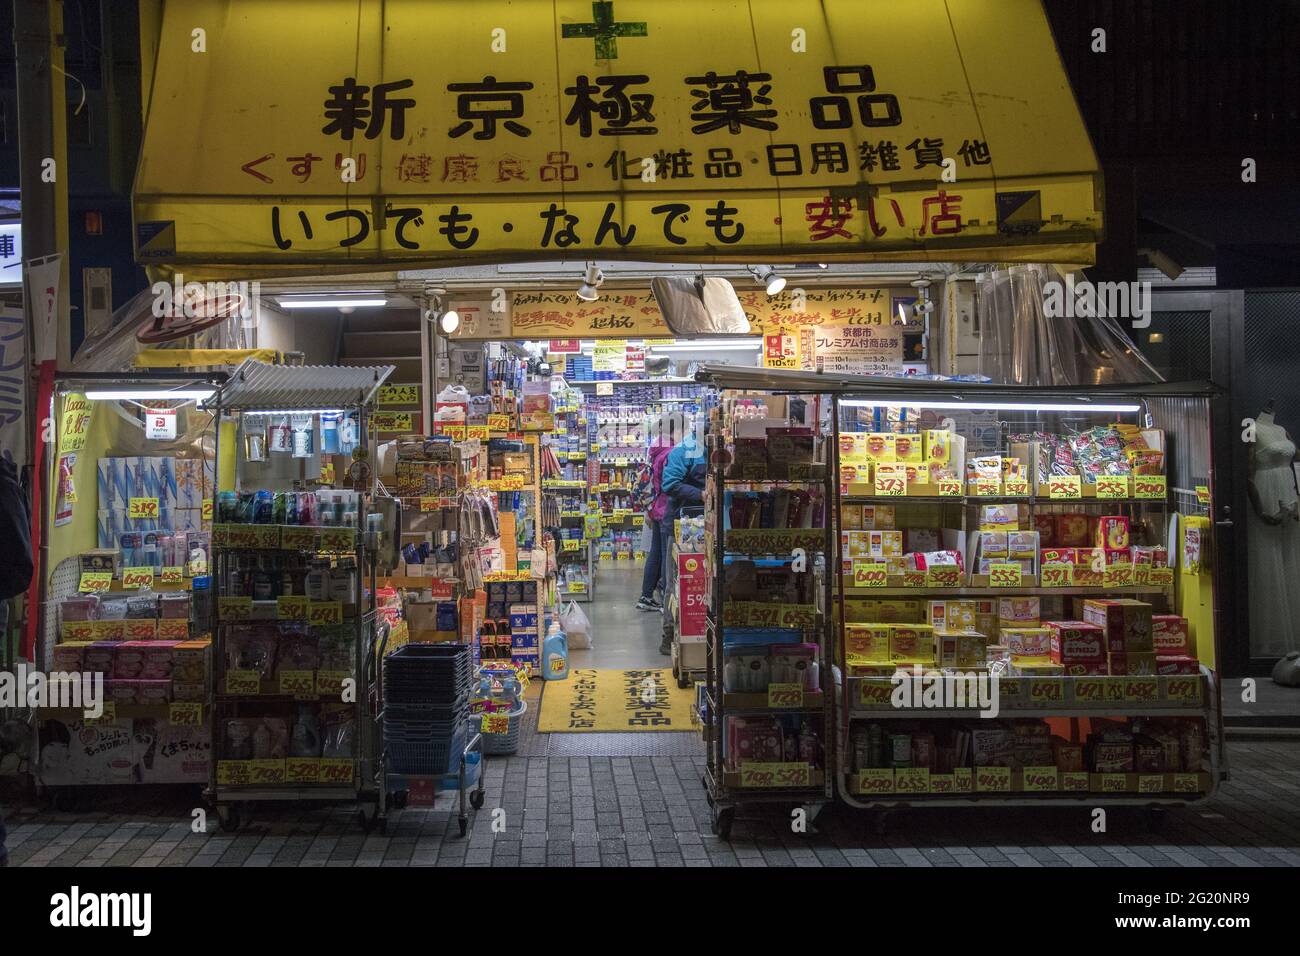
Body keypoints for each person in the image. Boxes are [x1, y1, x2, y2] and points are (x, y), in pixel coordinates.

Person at [657, 428, 707, 655]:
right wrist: (701, 494)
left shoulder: (718, 451)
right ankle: (669, 635)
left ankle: (699, 632)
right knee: (674, 580)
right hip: (681, 526)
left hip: (709, 525)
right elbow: (669, 484)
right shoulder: (684, 450)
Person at [635, 444, 673, 611]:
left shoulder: (656, 451)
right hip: (665, 509)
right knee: (666, 554)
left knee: (655, 553)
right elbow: (669, 484)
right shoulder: (670, 453)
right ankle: (665, 599)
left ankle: (646, 596)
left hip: (656, 507)